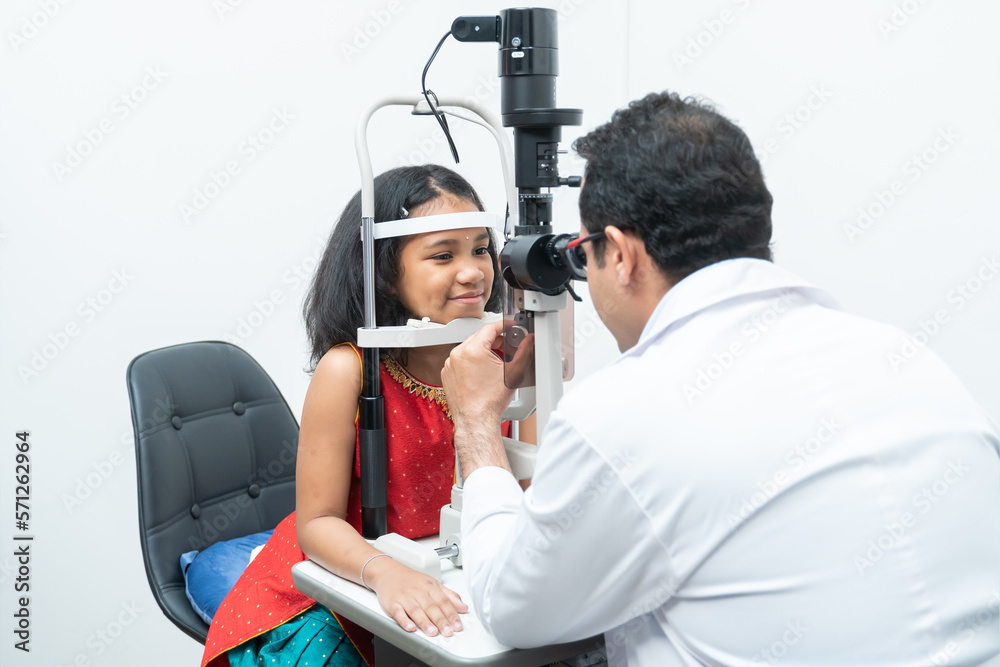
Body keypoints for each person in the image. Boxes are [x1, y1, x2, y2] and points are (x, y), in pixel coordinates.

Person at [441, 92, 1000, 666]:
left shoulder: (626, 412)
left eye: (584, 254)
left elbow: (512, 608)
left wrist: (477, 423)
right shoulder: (909, 360)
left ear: (623, 256)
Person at [201, 164, 508, 667]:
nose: (474, 270)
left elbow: (525, 496)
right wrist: (386, 574)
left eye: (480, 248)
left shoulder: (505, 362)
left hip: (455, 572)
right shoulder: (349, 371)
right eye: (443, 254)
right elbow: (317, 523)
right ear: (384, 273)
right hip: (342, 577)